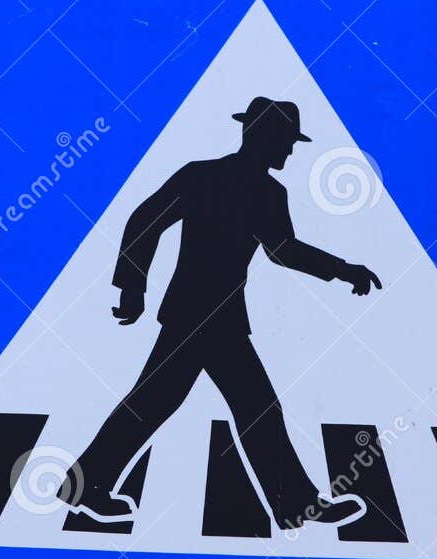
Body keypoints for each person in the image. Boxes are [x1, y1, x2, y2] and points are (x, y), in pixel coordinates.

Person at [65, 96, 382, 530]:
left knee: (175, 403)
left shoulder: (256, 188)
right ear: (264, 137)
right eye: (286, 141)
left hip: (214, 315)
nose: (290, 151)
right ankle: (295, 505)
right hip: (203, 316)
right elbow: (147, 220)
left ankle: (82, 485)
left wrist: (342, 270)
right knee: (244, 408)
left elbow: (280, 250)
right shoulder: (210, 177)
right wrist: (132, 286)